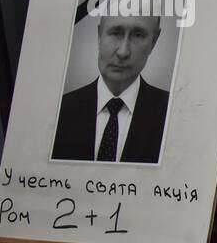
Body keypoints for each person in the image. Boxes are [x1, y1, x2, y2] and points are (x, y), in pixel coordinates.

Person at [51, 11, 170, 164]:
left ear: (153, 42)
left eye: (138, 35)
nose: (123, 52)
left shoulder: (173, 114)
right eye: (115, 33)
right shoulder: (59, 110)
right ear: (99, 35)